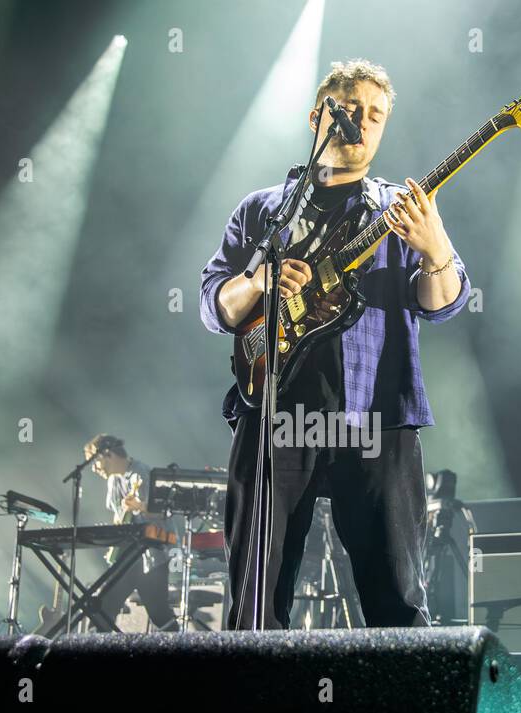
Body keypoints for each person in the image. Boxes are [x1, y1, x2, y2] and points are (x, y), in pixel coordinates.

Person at [200, 59, 471, 630]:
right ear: (318, 116)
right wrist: (258, 281)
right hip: (274, 414)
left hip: (376, 415)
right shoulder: (262, 210)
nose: (361, 123)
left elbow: (443, 302)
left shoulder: (401, 208)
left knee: (396, 599)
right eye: (348, 110)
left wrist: (434, 244)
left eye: (375, 115)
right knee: (256, 601)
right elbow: (213, 307)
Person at [81, 434, 177, 631]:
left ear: (107, 454)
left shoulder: (142, 474)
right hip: (128, 555)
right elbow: (118, 516)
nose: (94, 468)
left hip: (152, 553)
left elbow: (165, 513)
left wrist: (141, 506)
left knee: (158, 611)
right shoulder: (113, 482)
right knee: (105, 604)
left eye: (95, 461)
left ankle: (184, 651)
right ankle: (92, 650)